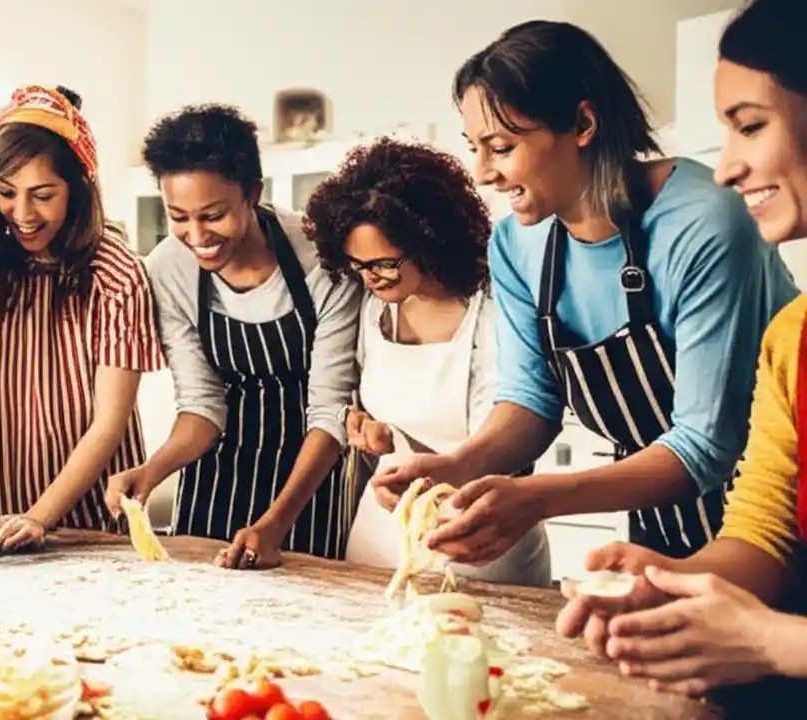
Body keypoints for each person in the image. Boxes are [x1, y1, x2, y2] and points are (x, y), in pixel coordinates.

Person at [375, 20, 798, 566]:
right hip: (658, 522)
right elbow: (532, 401)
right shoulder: (517, 245)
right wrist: (456, 466)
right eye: (475, 148)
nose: (483, 173)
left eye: (501, 146)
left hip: (775, 524)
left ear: (581, 122)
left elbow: (706, 444)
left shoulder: (703, 223)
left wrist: (540, 498)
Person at [556, 0, 807, 697]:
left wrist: (772, 640)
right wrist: (663, 580)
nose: (725, 169)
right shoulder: (792, 340)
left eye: (750, 127)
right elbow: (765, 537)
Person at [106, 104, 361, 570]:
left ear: (253, 194)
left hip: (309, 476)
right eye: (178, 216)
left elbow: (331, 410)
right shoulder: (168, 268)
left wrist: (275, 523)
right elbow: (203, 405)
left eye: (213, 214)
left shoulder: (322, 258)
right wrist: (151, 472)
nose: (196, 235)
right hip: (215, 471)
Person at [0, 85, 162, 553]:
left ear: (78, 189)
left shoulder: (117, 272)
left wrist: (39, 518)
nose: (23, 214)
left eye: (43, 195)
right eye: (7, 193)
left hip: (97, 517)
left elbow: (108, 423)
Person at [303, 137, 551, 586]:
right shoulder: (377, 306)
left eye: (383, 263)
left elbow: (504, 441)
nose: (371, 278)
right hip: (379, 537)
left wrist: (424, 457)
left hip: (478, 537)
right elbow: (382, 417)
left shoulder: (493, 305)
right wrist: (372, 432)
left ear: (428, 240)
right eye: (358, 266)